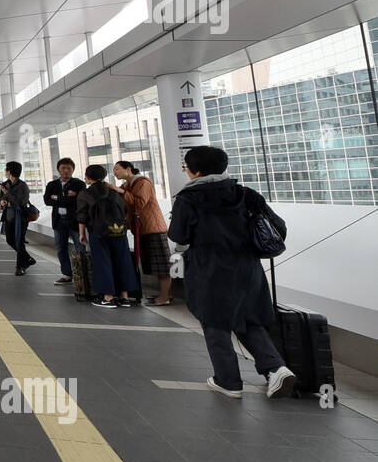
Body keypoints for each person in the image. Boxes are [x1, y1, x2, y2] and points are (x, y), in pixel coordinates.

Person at [168, 146, 296, 400]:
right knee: (248, 318)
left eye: (186, 166)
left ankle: (228, 381)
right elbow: (277, 227)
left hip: (209, 269)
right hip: (247, 267)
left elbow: (178, 235)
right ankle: (275, 368)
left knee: (215, 321)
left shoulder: (189, 199)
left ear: (196, 171)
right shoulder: (245, 194)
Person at [76, 164, 139, 308]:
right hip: (119, 231)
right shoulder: (114, 191)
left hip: (99, 232)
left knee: (102, 262)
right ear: (104, 176)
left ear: (88, 177)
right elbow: (124, 209)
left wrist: (81, 234)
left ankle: (108, 297)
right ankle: (124, 297)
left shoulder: (85, 193)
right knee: (123, 261)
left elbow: (82, 216)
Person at [113, 161, 174, 306]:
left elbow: (140, 202)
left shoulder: (143, 182)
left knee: (162, 265)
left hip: (154, 228)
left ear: (128, 169)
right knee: (154, 264)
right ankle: (163, 294)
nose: (114, 172)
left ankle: (165, 296)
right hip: (143, 229)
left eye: (117, 169)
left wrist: (122, 192)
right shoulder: (128, 185)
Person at [43, 158, 85, 286]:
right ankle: (67, 274)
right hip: (58, 221)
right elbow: (47, 200)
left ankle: (83, 274)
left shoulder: (79, 184)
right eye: (63, 168)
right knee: (61, 248)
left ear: (73, 169)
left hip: (74, 221)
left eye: (69, 168)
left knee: (80, 247)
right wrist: (67, 198)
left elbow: (80, 200)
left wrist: (57, 198)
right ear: (58, 169)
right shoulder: (52, 184)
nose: (66, 171)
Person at [1, 162, 36, 275]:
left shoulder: (22, 186)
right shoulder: (5, 184)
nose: (5, 172)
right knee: (10, 240)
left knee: (19, 242)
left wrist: (8, 193)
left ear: (9, 172)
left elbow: (21, 203)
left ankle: (20, 267)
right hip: (9, 216)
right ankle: (28, 259)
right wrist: (3, 201)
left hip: (20, 218)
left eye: (6, 170)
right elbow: (2, 198)